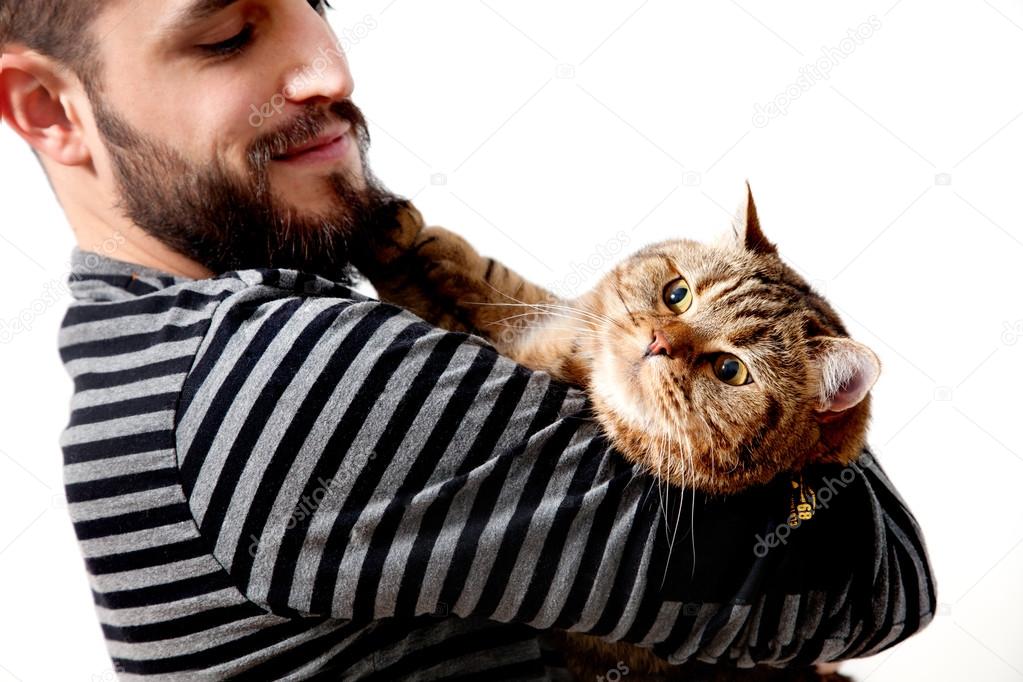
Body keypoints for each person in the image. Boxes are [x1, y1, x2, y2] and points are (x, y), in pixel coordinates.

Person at [0, 1, 936, 678]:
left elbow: (578, 358)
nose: (331, 68)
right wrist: (810, 408)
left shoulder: (142, 369)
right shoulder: (286, 383)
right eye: (228, 35)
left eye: (314, 5)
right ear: (47, 108)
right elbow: (878, 580)